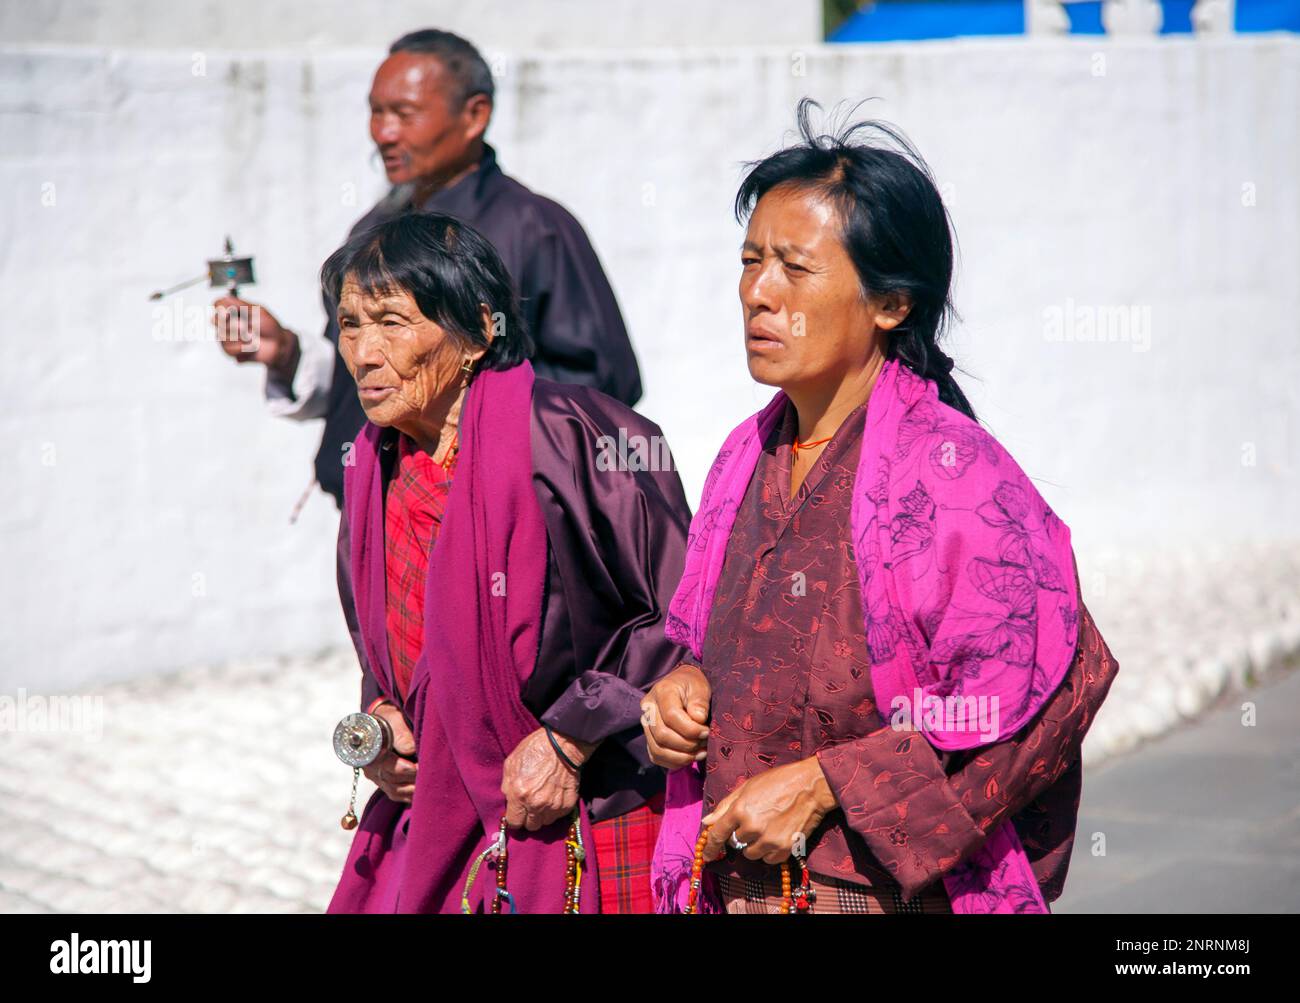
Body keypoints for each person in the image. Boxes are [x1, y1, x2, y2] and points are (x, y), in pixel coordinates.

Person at [642, 100, 1120, 914]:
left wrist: (831, 783)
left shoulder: (953, 472)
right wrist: (677, 691)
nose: (757, 292)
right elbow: (702, 644)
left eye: (794, 268)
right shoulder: (741, 457)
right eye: (750, 261)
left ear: (891, 303)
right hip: (731, 884)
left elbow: (1053, 691)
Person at [324, 210, 689, 913]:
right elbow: (391, 642)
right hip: (436, 807)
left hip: (583, 808)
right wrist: (383, 717)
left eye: (393, 322)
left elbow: (679, 612)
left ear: (479, 330)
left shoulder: (584, 438)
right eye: (350, 324)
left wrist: (571, 735)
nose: (365, 353)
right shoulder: (373, 464)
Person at [214, 28, 641, 506]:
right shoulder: (373, 231)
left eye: (404, 113)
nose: (384, 132)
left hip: (487, 517)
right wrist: (288, 353)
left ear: (474, 114)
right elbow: (362, 376)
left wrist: (463, 427)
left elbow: (605, 387)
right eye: (376, 111)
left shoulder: (533, 227)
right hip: (372, 513)